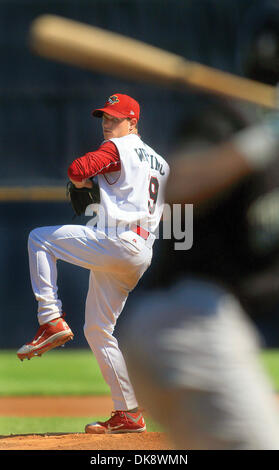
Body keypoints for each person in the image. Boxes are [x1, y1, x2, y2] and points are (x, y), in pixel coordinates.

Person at [122, 99, 279, 449]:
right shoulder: (229, 121)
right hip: (189, 324)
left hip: (222, 326)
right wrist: (265, 138)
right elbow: (177, 188)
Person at [17, 93, 169, 434]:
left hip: (118, 240)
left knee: (39, 238)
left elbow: (77, 169)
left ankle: (50, 319)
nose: (107, 124)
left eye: (114, 118)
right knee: (98, 330)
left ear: (133, 122)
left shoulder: (119, 147)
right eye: (104, 117)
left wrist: (81, 182)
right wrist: (102, 189)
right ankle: (129, 413)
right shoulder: (162, 162)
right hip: (141, 250)